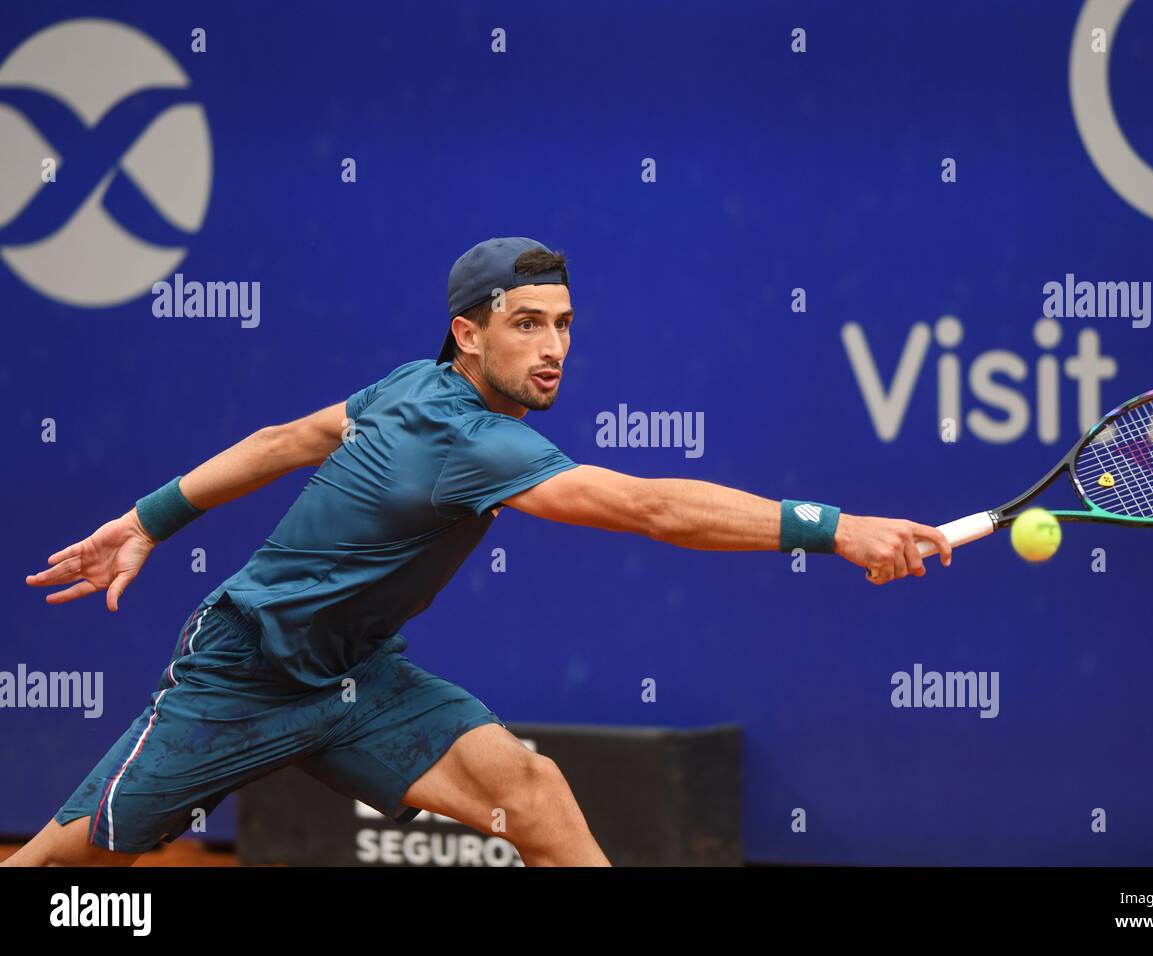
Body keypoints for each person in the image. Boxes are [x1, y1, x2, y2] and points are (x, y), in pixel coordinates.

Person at [7, 237, 952, 868]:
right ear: (469, 332)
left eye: (565, 325)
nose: (555, 348)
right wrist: (837, 530)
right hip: (244, 674)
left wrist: (147, 520)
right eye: (527, 324)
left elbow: (284, 438)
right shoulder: (474, 440)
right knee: (64, 864)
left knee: (531, 792)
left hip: (358, 681)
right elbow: (654, 509)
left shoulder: (412, 385)